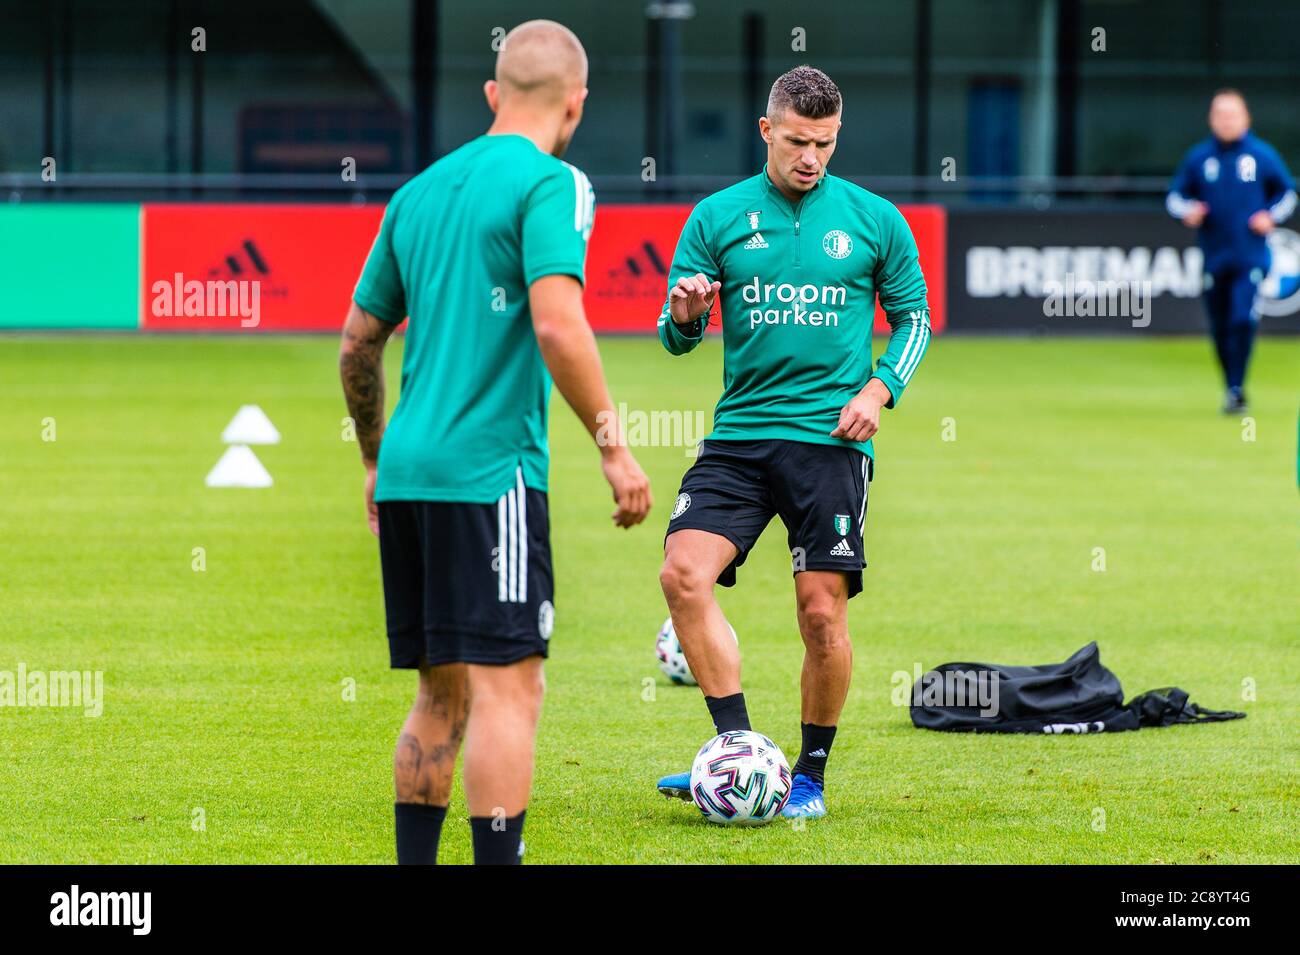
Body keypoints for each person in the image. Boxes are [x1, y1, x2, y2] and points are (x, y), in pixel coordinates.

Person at [338, 19, 651, 864]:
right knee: (513, 691)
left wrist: (374, 457)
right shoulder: (555, 183)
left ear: (491, 94)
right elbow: (557, 322)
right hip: (491, 478)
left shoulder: (418, 193)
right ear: (576, 105)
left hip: (407, 472)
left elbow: (357, 343)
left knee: (439, 697)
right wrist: (613, 444)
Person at [653, 66, 931, 819]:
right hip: (740, 438)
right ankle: (739, 754)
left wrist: (879, 390)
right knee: (683, 574)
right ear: (767, 131)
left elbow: (915, 320)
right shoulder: (716, 217)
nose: (812, 157)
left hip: (830, 443)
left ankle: (807, 775)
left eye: (827, 143)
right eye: (800, 141)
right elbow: (675, 338)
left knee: (820, 613)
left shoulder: (876, 220)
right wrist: (684, 315)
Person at [1167, 88, 1296, 413]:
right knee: (1220, 324)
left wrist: (1270, 216)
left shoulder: (1261, 155)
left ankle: (1237, 388)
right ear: (1212, 119)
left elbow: (1287, 194)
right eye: (1220, 115)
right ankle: (1231, 385)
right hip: (1214, 256)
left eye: (1232, 114)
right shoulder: (1199, 157)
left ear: (1245, 117)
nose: (1226, 121)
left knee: (1241, 318)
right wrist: (1188, 211)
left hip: (1249, 255)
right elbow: (1175, 197)